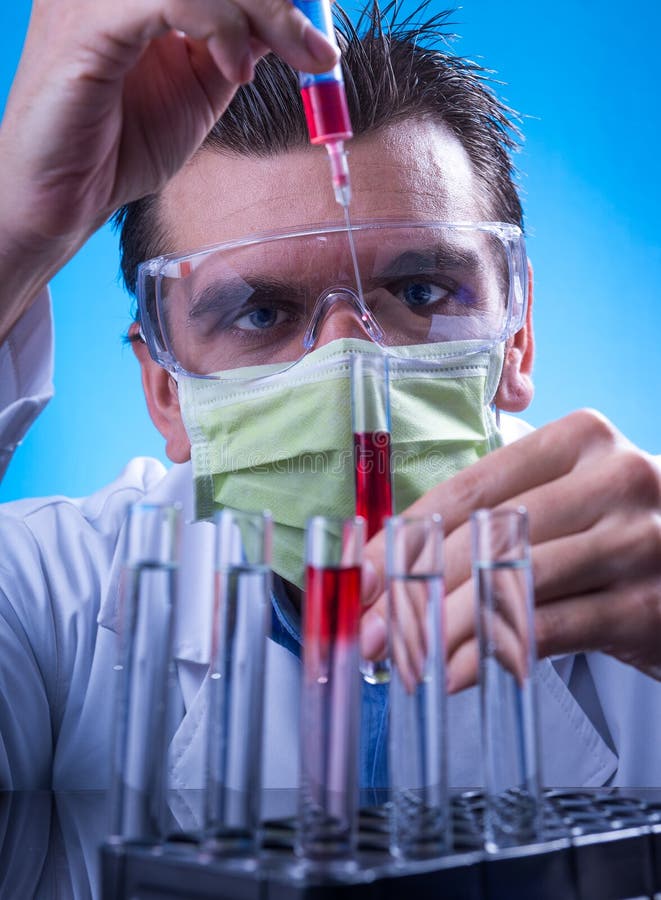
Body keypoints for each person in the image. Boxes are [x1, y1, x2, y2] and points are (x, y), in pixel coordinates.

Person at [1, 0, 661, 800]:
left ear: (515, 340)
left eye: (419, 290)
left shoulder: (639, 593)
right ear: (165, 390)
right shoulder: (45, 603)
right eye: (261, 314)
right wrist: (17, 228)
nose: (350, 363)